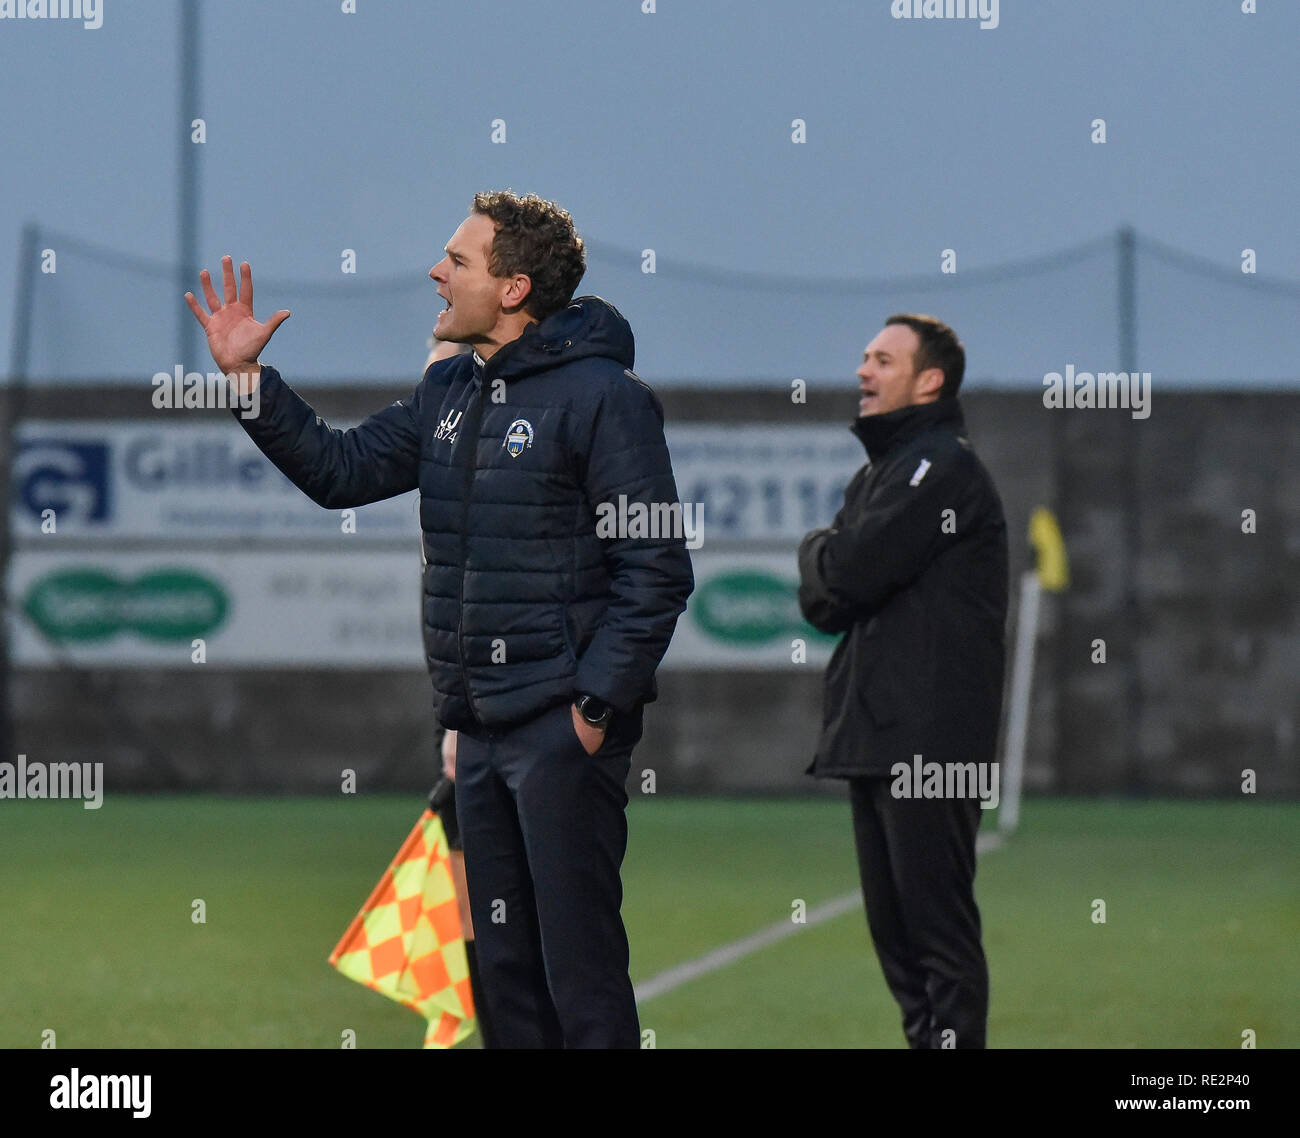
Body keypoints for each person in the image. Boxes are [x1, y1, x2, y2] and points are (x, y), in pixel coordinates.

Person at [184, 190, 694, 1049]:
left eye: (457, 261)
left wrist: (594, 711)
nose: (435, 271)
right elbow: (341, 471)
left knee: (580, 973)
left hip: (561, 732)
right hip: (479, 733)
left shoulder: (606, 397)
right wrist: (247, 381)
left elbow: (657, 569)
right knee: (502, 975)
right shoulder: (448, 389)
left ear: (515, 288)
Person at [796, 314, 1008, 1049]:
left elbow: (849, 570)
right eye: (863, 357)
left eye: (883, 359)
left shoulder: (941, 467)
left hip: (930, 744)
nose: (863, 370)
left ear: (929, 380)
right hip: (876, 736)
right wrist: (830, 555)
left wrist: (821, 548)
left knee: (935, 934)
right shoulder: (880, 473)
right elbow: (825, 603)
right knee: (898, 939)